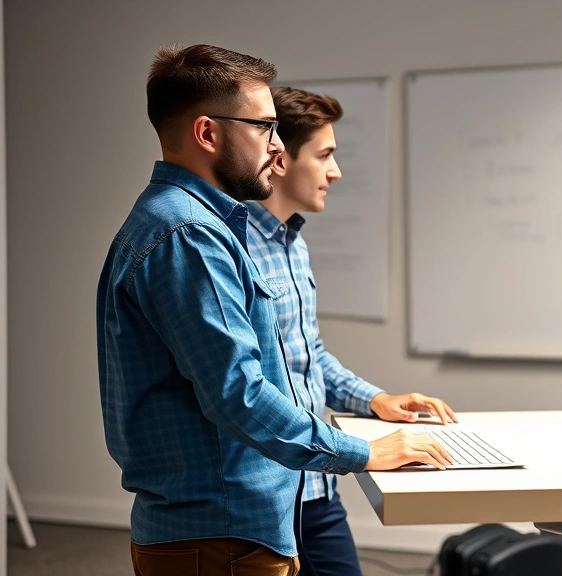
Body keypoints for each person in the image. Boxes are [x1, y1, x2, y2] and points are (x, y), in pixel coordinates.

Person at [96, 44, 452, 576]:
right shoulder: (190, 236)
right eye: (265, 127)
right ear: (207, 133)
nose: (278, 145)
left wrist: (369, 408)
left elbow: (290, 358)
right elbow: (237, 392)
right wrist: (360, 451)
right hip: (221, 531)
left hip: (236, 525)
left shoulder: (197, 227)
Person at [245, 86, 458, 576]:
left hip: (317, 487)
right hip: (265, 496)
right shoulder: (231, 251)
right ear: (279, 160)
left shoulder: (293, 245)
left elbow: (308, 355)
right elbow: (242, 388)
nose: (335, 172)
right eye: (325, 156)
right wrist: (364, 451)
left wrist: (375, 399)